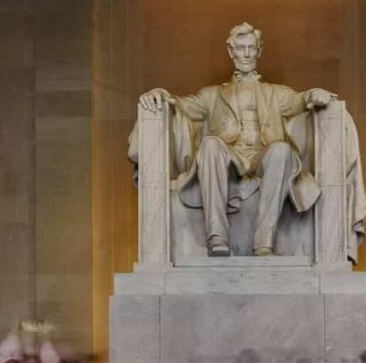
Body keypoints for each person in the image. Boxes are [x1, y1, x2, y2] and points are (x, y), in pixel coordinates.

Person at [137, 22, 337, 257]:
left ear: (259, 51)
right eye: (241, 48)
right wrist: (161, 94)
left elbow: (298, 100)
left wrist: (313, 93)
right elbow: (182, 105)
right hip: (229, 159)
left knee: (282, 150)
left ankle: (264, 241)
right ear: (231, 52)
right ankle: (217, 237)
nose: (246, 54)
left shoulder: (277, 92)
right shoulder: (211, 95)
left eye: (251, 48)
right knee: (210, 144)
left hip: (263, 157)